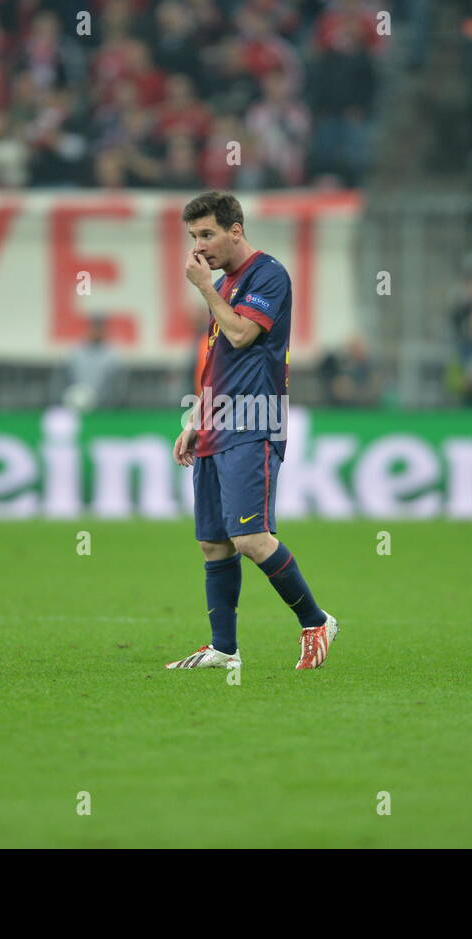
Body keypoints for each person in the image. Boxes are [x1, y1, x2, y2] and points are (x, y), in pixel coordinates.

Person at [170, 190, 337, 671]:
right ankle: (223, 648)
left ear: (235, 230)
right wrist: (196, 419)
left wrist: (203, 287)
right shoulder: (223, 286)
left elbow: (244, 335)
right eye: (192, 237)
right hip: (217, 420)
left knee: (251, 537)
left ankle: (315, 621)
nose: (198, 247)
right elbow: (218, 362)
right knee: (214, 542)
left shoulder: (268, 274)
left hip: (254, 419)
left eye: (206, 234)